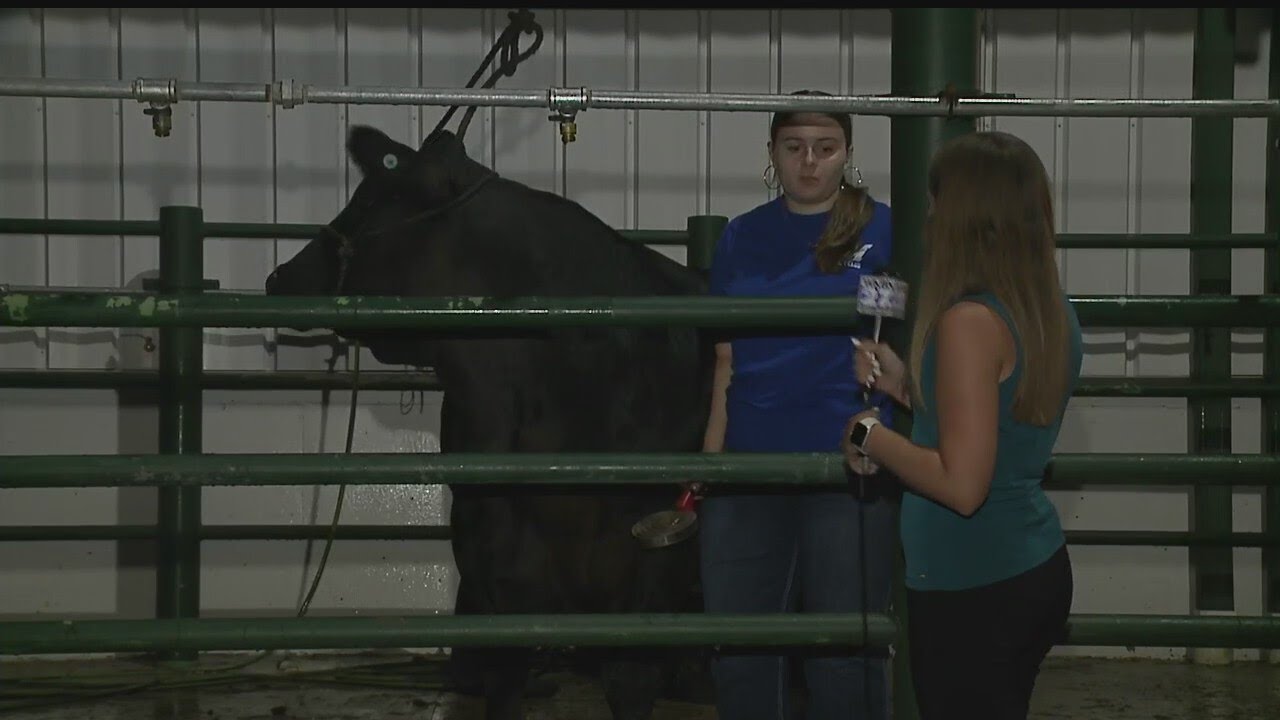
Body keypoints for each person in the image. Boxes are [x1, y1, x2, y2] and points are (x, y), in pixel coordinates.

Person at [842, 130, 1083, 720]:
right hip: (1021, 564)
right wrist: (905, 384)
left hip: (975, 582)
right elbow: (999, 416)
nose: (927, 217)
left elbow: (962, 484)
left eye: (935, 204)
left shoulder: (968, 322)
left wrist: (873, 437)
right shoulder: (1046, 305)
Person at [699, 89, 896, 720]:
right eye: (794, 148)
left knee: (844, 644)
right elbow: (725, 356)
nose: (809, 162)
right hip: (752, 456)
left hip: (848, 456)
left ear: (847, 154)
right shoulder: (740, 236)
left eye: (825, 148)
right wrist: (712, 462)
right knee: (740, 644)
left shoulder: (881, 228)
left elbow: (897, 343)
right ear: (772, 154)